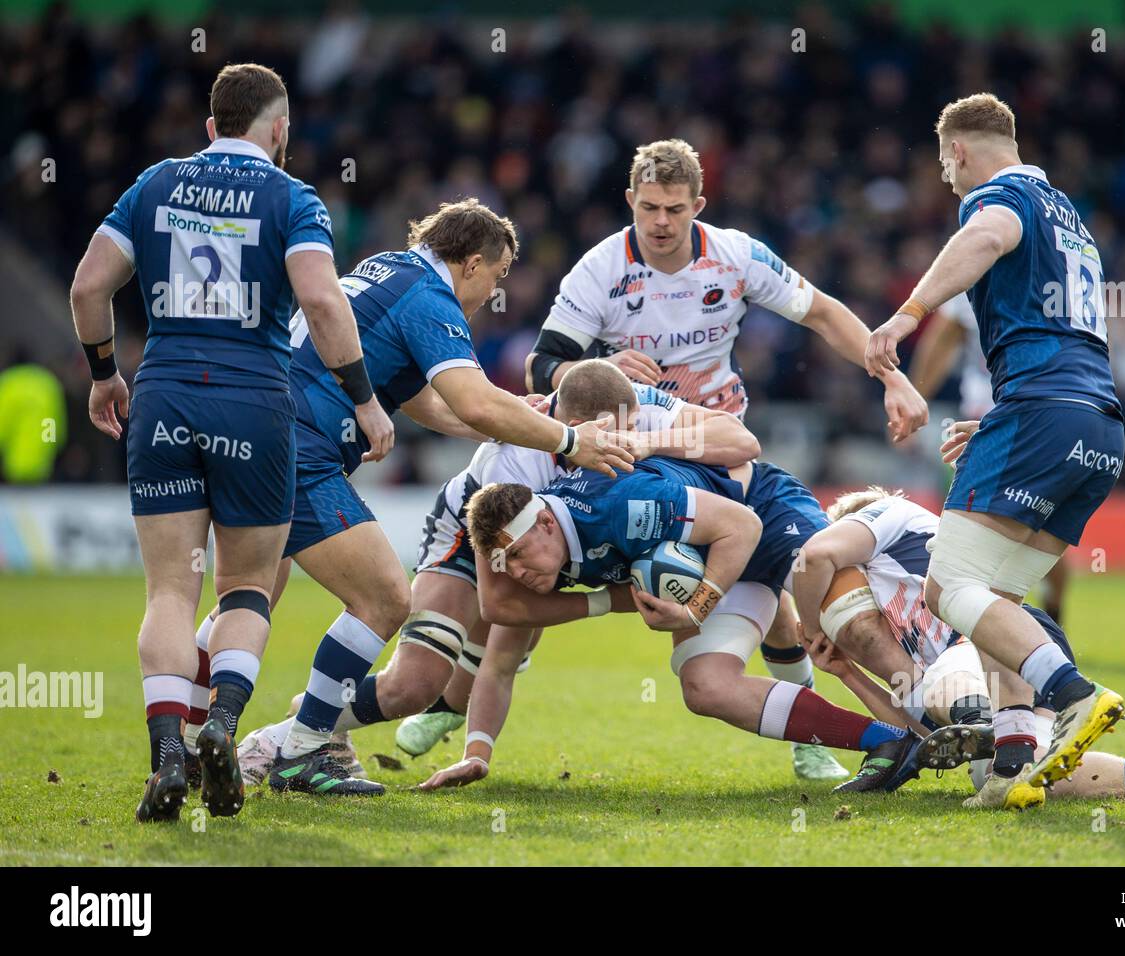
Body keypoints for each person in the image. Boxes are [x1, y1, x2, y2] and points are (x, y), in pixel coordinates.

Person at [184, 204, 638, 797]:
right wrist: (571, 438)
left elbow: (424, 398)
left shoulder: (386, 270)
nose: (491, 293)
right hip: (297, 445)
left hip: (249, 429)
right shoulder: (431, 296)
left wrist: (507, 423)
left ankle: (187, 744)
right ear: (472, 263)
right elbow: (472, 399)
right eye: (495, 277)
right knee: (383, 599)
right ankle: (301, 752)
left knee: (249, 595)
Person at [522, 140, 930, 778]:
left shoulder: (735, 256)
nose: (660, 222)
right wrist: (591, 367)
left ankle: (939, 712)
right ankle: (455, 694)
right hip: (646, 464)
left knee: (811, 586)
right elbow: (539, 366)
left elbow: (822, 313)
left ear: (698, 207)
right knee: (537, 551)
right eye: (648, 207)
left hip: (720, 450)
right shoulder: (599, 269)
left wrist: (892, 381)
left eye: (675, 210)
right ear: (629, 201)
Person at [69, 63, 394, 822]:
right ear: (279, 129)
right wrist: (365, 401)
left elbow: (89, 287)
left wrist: (102, 375)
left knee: (170, 594)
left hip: (163, 395)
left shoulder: (154, 184)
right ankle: (220, 725)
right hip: (253, 403)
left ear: (212, 126)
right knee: (245, 589)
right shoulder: (293, 197)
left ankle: (165, 762)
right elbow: (319, 299)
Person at [235, 358, 757, 785]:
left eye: (629, 434)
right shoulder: (515, 459)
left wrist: (653, 444)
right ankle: (277, 741)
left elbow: (740, 441)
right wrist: (614, 600)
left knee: (464, 692)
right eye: (609, 439)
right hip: (474, 540)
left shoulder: (634, 415)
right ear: (571, 427)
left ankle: (329, 716)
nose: (620, 450)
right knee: (414, 685)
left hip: (546, 545)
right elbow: (502, 603)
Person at [865, 93, 1125, 808]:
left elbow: (985, 239)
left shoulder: (1002, 196)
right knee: (997, 595)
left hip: (1042, 413)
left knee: (945, 589)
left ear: (956, 151)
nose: (946, 178)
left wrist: (906, 314)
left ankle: (1073, 694)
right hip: (1097, 424)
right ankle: (1014, 765)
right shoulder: (1072, 219)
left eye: (943, 163)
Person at [417, 456, 922, 792]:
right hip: (712, 554)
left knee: (846, 625)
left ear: (547, 523)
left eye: (521, 555)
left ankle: (967, 713)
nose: (520, 572)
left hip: (761, 513)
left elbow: (741, 526)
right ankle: (888, 740)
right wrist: (477, 754)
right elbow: (500, 660)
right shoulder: (543, 555)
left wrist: (696, 609)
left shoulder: (619, 506)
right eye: (506, 565)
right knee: (704, 688)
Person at [794, 488, 1125, 806]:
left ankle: (981, 721)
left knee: (944, 677)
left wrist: (811, 625)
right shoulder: (893, 635)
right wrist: (847, 673)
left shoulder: (886, 515)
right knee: (1023, 775)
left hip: (1000, 636)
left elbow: (815, 555)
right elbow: (919, 728)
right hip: (972, 672)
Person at [909, 295, 1070, 623]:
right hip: (980, 417)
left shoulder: (1043, 282)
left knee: (1038, 525)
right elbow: (941, 341)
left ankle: (1048, 609)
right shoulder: (971, 285)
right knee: (965, 525)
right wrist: (914, 399)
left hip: (1032, 417)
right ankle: (977, 626)